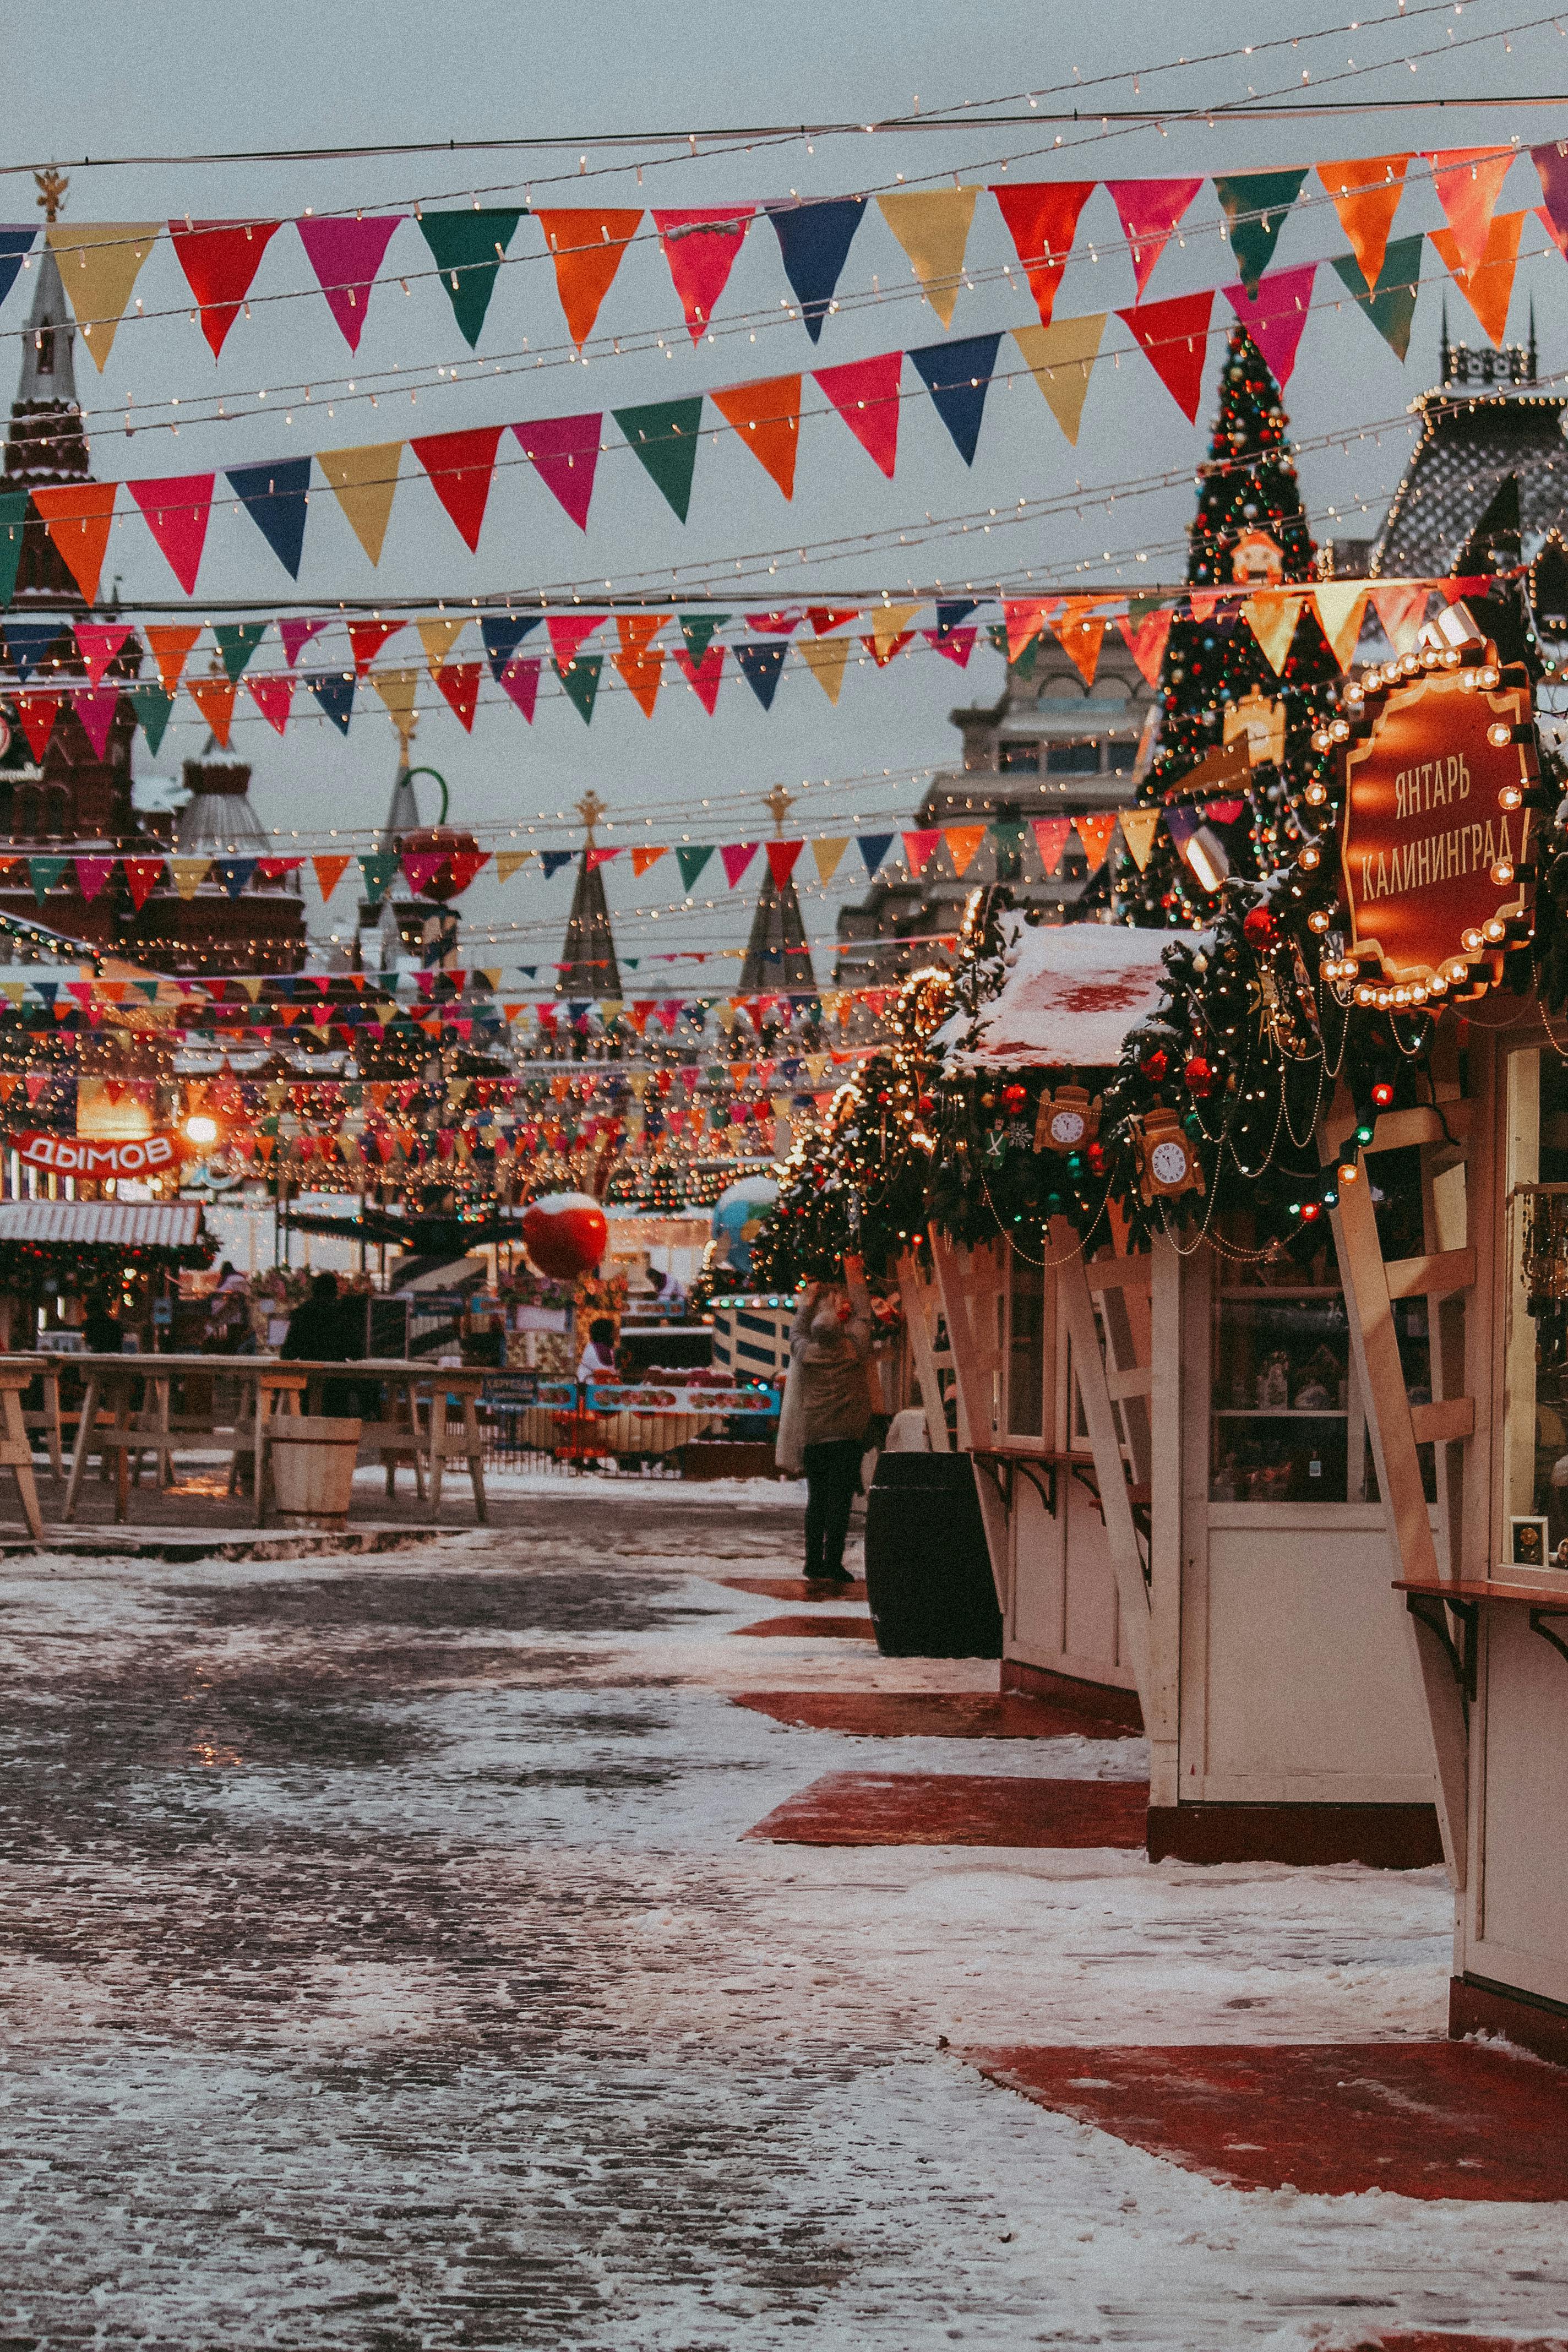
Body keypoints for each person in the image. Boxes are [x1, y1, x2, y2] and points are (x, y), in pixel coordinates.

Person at [788, 1253, 873, 1585]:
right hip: (847, 1438)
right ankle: (834, 1562)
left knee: (817, 1501)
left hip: (816, 1437)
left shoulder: (806, 1353)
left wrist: (808, 1301)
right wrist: (855, 1275)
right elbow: (864, 1315)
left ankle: (813, 1562)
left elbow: (796, 1331)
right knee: (840, 1503)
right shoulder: (854, 1351)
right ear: (841, 1330)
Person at [577, 1315, 619, 1384]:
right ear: (606, 1334)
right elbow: (605, 1370)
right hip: (589, 1385)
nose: (614, 1336)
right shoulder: (593, 1349)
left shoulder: (605, 1348)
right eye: (612, 1333)